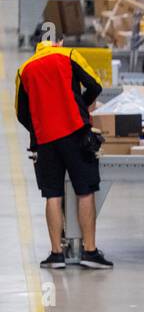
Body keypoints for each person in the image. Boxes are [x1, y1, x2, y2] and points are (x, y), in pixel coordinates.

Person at [14, 39, 113, 270]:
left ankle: (56, 254)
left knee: (53, 194)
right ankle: (89, 251)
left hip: (45, 140)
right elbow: (95, 85)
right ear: (57, 42)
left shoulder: (24, 69)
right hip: (75, 133)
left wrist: (39, 127)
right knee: (85, 191)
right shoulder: (68, 55)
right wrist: (79, 106)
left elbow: (20, 113)